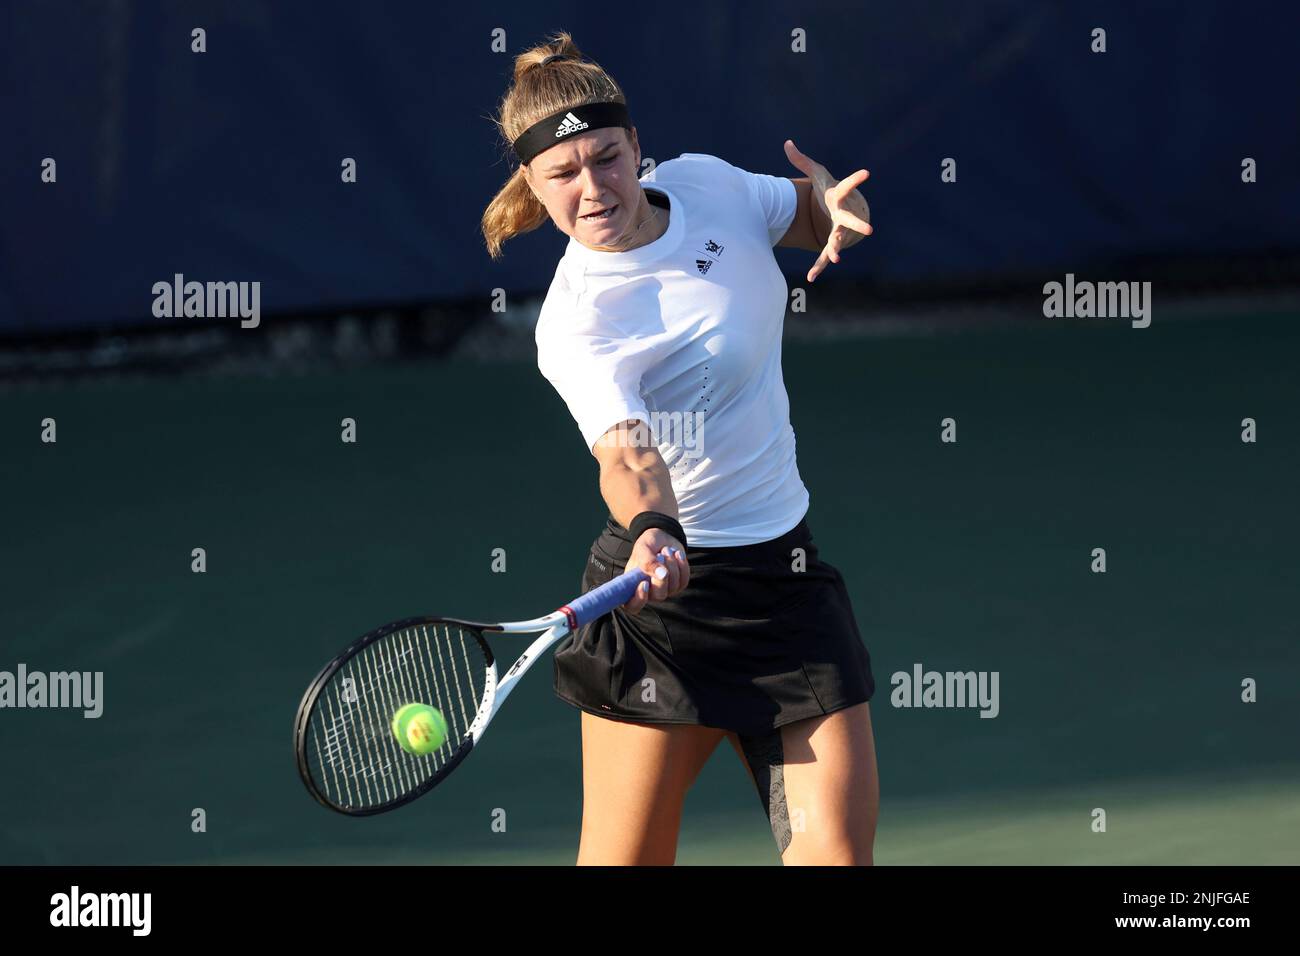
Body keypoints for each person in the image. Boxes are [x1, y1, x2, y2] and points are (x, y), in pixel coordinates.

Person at [481, 32, 877, 865]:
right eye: (564, 173)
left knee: (835, 856)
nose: (594, 188)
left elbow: (800, 215)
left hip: (787, 583)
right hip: (663, 607)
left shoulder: (705, 183)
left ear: (636, 146)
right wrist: (653, 529)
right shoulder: (578, 322)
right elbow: (625, 457)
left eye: (608, 158)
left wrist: (834, 207)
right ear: (533, 185)